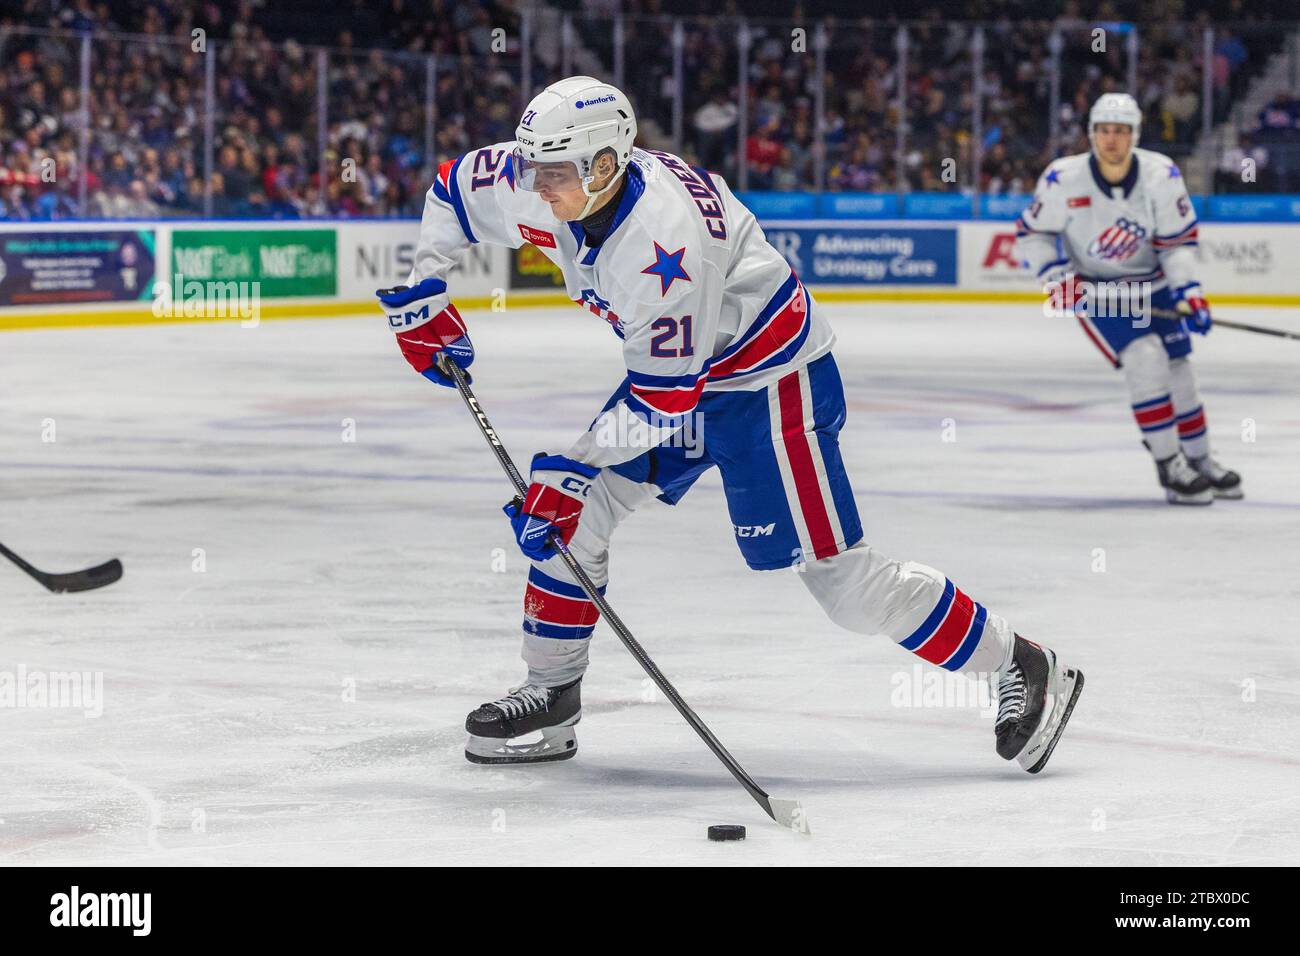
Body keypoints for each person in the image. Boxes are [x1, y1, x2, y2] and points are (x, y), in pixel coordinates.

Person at [378, 76, 1083, 772]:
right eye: (533, 168)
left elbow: (662, 402)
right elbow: (453, 188)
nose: (536, 186)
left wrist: (573, 466)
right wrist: (425, 290)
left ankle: (1019, 660)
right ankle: (551, 694)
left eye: (553, 172)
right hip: (684, 374)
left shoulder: (662, 245)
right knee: (576, 514)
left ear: (605, 163)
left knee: (842, 584)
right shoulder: (545, 173)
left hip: (772, 384)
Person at [1015, 93, 1241, 504]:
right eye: (1103, 130)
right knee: (1146, 358)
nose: (1112, 139)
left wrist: (1189, 292)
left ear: (1134, 134)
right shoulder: (1062, 178)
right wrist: (1054, 277)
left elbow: (1176, 243)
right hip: (1099, 292)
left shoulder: (1162, 174)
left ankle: (1200, 458)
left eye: (1120, 131)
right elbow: (1033, 235)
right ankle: (1169, 463)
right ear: (1091, 134)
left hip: (1153, 288)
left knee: (1181, 374)